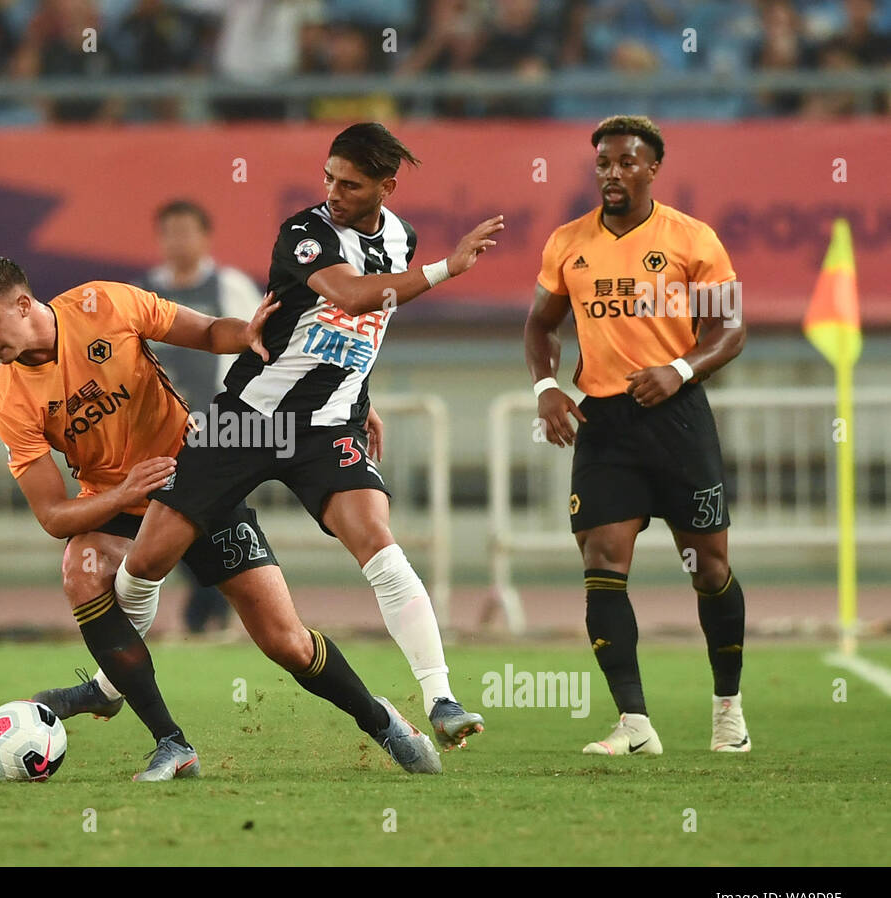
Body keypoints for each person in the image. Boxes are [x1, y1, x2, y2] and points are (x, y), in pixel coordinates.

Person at [0, 254, 442, 780]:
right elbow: (51, 514)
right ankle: (171, 742)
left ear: (23, 305)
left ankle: (380, 721)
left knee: (285, 642)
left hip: (197, 482)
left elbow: (208, 333)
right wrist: (124, 493)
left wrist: (336, 397)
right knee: (81, 567)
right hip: (116, 507)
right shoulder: (9, 396)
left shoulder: (104, 303)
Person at [114, 122, 502, 750]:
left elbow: (368, 329)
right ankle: (114, 684)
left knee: (376, 538)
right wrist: (447, 269)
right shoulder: (304, 231)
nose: (333, 191)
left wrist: (361, 394)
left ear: (387, 186)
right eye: (328, 176)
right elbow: (349, 299)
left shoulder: (400, 237)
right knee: (150, 558)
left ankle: (441, 697)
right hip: (247, 417)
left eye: (350, 183)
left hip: (329, 425)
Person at [523, 114, 749, 756]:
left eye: (626, 162)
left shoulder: (690, 239)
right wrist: (546, 389)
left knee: (709, 568)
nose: (612, 174)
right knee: (602, 562)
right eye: (603, 164)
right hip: (604, 422)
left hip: (676, 419)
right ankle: (634, 723)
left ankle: (727, 708)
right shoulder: (569, 242)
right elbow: (541, 326)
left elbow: (728, 333)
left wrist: (679, 370)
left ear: (653, 168)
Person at [142, 199, 264, 633]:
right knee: (162, 515)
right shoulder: (143, 293)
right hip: (158, 428)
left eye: (185, 231)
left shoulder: (229, 286)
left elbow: (260, 344)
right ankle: (206, 602)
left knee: (215, 514)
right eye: (169, 232)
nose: (177, 241)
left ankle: (215, 606)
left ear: (205, 237)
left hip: (220, 424)